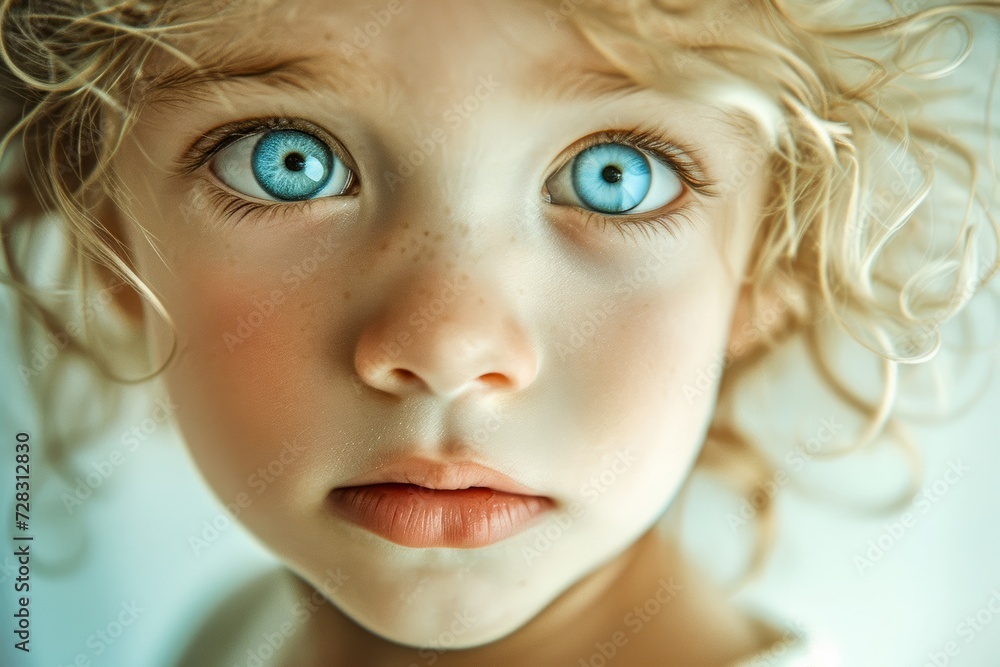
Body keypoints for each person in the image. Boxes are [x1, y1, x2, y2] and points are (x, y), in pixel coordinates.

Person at [1, 0, 996, 665]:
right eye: (285, 160)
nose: (446, 346)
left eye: (618, 175)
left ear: (769, 262)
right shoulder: (237, 633)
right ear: (106, 237)